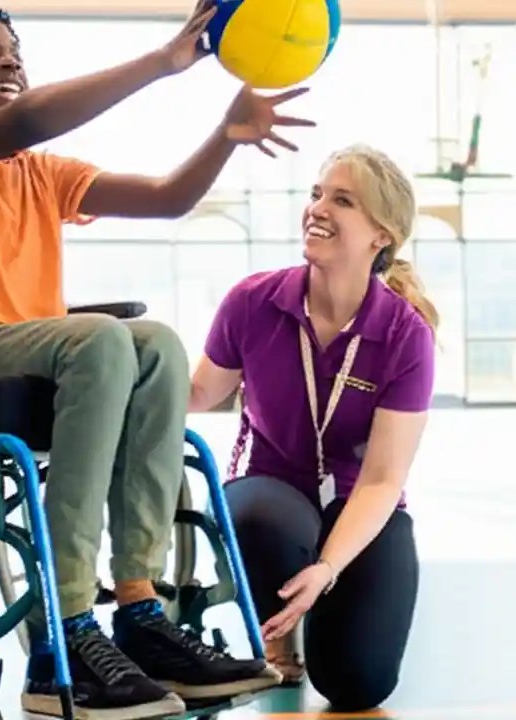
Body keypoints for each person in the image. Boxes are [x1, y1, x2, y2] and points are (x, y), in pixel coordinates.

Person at [0, 2, 311, 718]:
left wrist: (227, 135)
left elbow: (170, 199)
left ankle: (139, 608)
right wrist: (162, 62)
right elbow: (28, 121)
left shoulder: (41, 175)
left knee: (157, 345)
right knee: (101, 337)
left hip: (35, 355)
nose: (10, 61)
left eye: (14, 50)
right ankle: (67, 629)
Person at [188, 144, 436, 711]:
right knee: (259, 522)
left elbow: (381, 480)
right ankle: (279, 636)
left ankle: (325, 599)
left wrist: (328, 568)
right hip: (271, 488)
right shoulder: (252, 302)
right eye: (317, 193)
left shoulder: (405, 335)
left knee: (359, 686)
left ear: (381, 235)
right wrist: (133, 374)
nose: (318, 208)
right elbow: (201, 391)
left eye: (342, 200)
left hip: (358, 501)